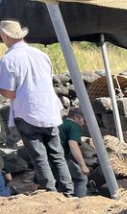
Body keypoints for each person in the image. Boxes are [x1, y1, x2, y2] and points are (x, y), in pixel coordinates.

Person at [0, 20, 73, 196]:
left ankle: (51, 192)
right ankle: (69, 191)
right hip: (49, 109)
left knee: (39, 156)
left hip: (27, 111)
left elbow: (8, 93)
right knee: (57, 153)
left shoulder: (8, 59)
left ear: (6, 36)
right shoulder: (41, 54)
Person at [59, 108, 90, 197]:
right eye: (84, 120)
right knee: (81, 178)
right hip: (61, 158)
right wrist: (83, 166)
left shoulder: (61, 123)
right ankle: (80, 201)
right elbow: (73, 145)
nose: (85, 124)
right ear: (76, 117)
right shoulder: (73, 125)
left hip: (49, 157)